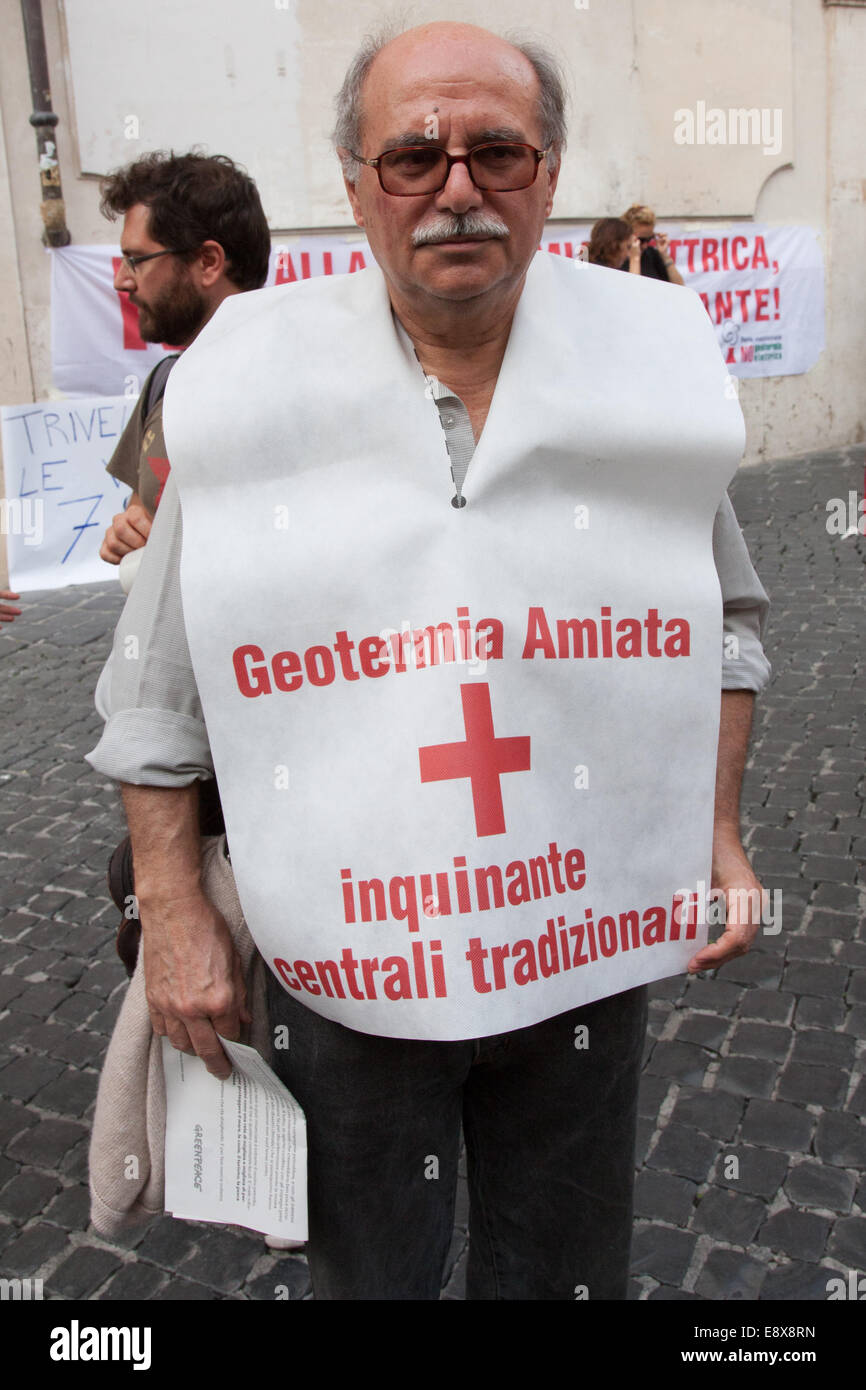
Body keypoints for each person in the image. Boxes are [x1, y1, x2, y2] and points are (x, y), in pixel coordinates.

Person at [87, 21, 770, 1300]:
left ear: (548, 173)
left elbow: (720, 622)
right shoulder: (250, 390)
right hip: (346, 965)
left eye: (495, 151)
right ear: (355, 185)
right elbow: (153, 693)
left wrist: (716, 827)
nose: (456, 186)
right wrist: (177, 915)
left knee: (564, 1269)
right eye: (411, 156)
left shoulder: (641, 373)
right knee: (372, 1279)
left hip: (578, 947)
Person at [97, 152, 271, 566]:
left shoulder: (296, 384)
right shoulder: (165, 380)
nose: (122, 280)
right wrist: (127, 532)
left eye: (136, 260)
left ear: (208, 262)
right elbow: (140, 509)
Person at [620, 203, 685, 285]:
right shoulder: (616, 258)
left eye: (649, 239)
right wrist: (635, 258)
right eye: (641, 240)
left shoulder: (652, 255)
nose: (645, 245)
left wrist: (665, 255)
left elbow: (680, 288)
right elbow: (633, 291)